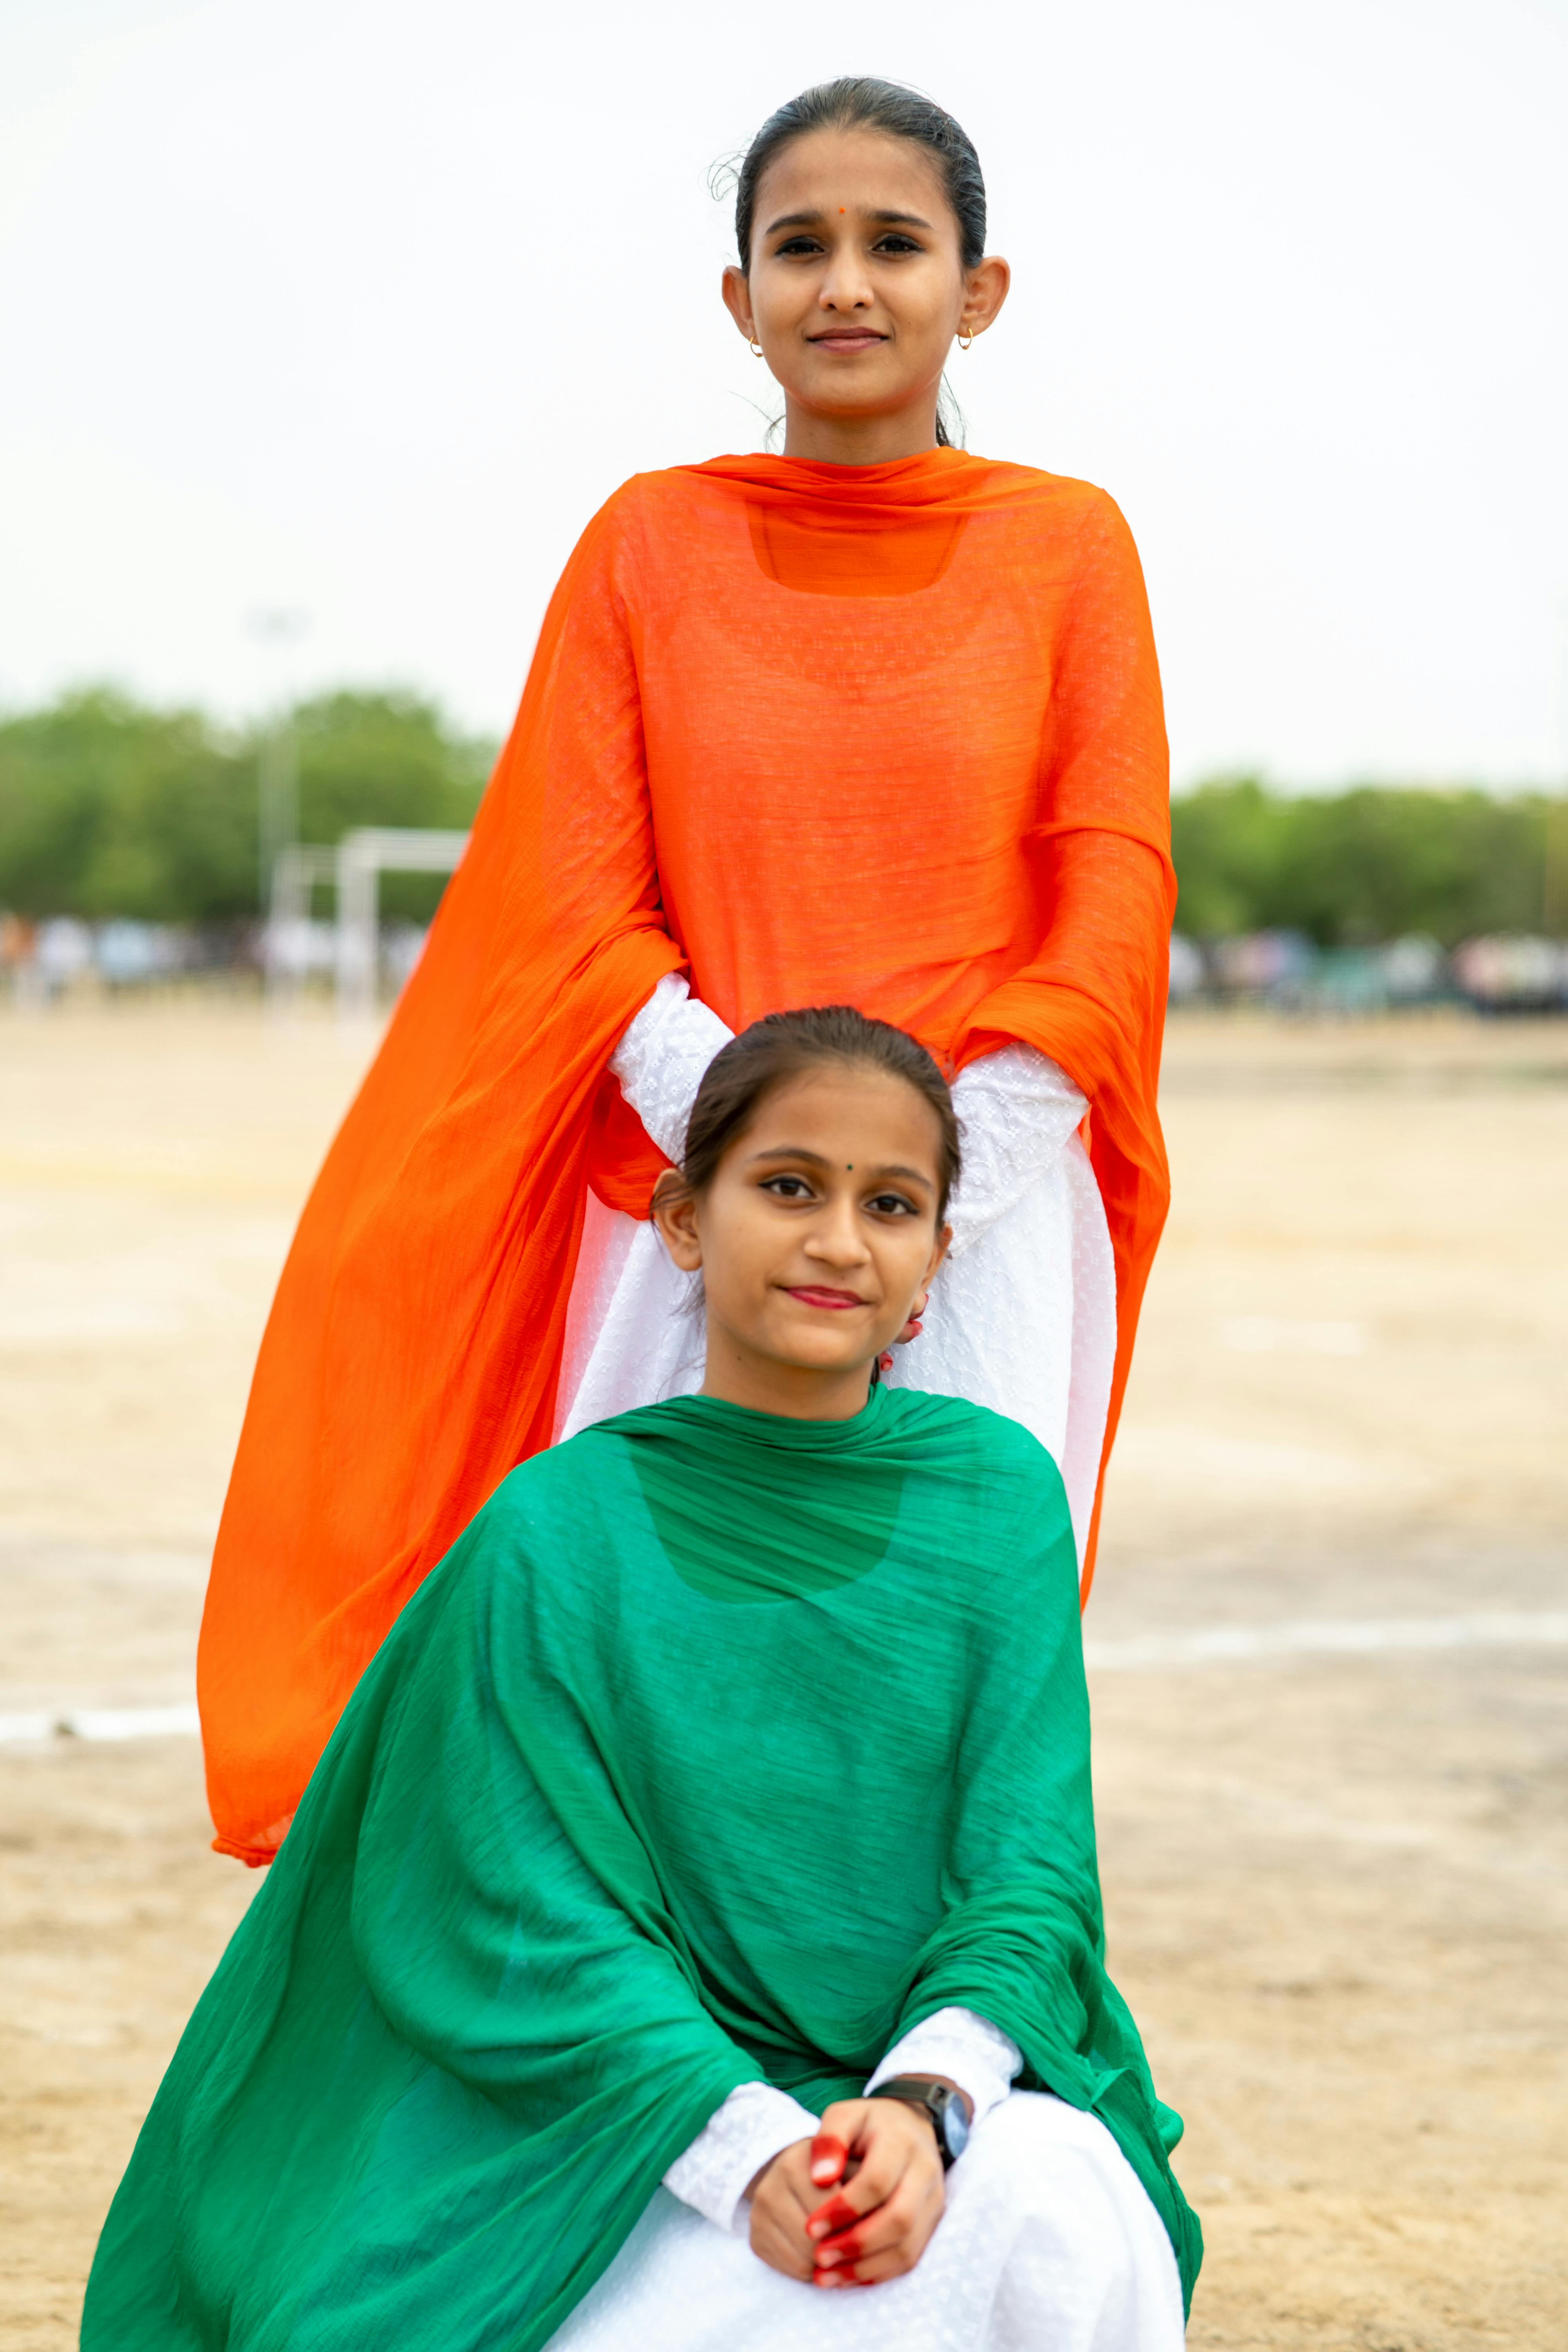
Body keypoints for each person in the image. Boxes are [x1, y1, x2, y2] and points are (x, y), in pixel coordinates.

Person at [197, 75, 1174, 1869]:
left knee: (935, 1664)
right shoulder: (651, 544)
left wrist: (947, 1169)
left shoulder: (1068, 548)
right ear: (740, 300)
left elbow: (1109, 867)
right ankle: (670, 2095)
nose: (846, 283)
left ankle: (917, 2082)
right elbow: (579, 881)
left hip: (992, 1198)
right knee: (656, 1664)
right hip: (684, 1192)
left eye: (896, 242)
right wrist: (752, 1157)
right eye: (797, 245)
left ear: (982, 289)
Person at [85, 1010, 1199, 2351]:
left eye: (891, 1204)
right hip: (620, 2137)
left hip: (911, 2098)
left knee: (1055, 2216)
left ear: (935, 1260)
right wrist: (743, 2158)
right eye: (788, 1185)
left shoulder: (999, 1499)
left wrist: (925, 2106)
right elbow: (523, 1919)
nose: (840, 1240)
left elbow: (1030, 1875)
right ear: (682, 1216)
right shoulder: (553, 1531)